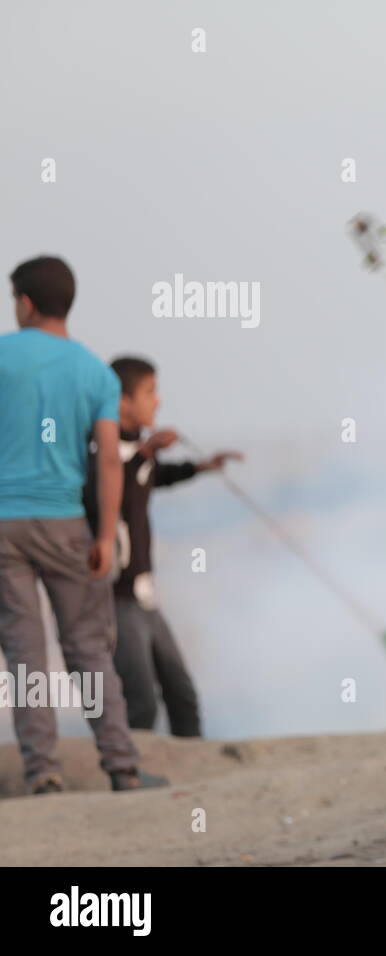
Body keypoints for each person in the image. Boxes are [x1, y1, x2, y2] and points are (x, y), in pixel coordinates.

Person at [0, 256, 168, 793]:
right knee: (87, 649)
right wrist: (103, 536)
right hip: (65, 523)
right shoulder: (94, 371)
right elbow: (109, 461)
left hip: (4, 524)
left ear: (24, 302)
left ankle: (43, 772)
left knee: (25, 655)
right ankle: (121, 765)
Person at [84, 356, 242, 736]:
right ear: (122, 402)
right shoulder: (99, 454)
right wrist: (146, 453)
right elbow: (110, 488)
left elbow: (155, 477)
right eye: (150, 392)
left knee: (182, 694)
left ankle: (196, 776)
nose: (158, 401)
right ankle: (132, 780)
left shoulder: (137, 455)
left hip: (145, 598)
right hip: (116, 600)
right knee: (140, 702)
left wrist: (200, 467)